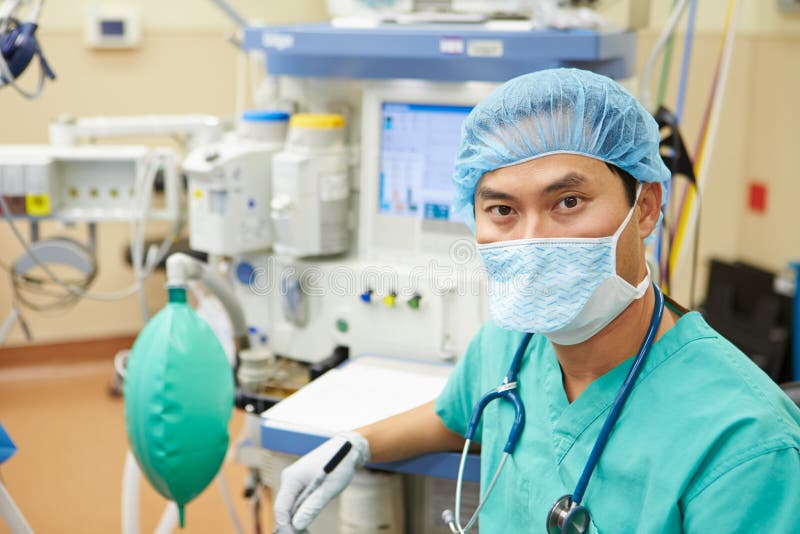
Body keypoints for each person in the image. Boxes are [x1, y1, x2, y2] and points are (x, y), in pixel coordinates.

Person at [273, 68, 800, 533]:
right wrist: (358, 444)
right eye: (502, 210)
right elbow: (457, 418)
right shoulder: (510, 343)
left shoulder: (745, 442)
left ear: (644, 207)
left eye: (567, 202)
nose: (531, 240)